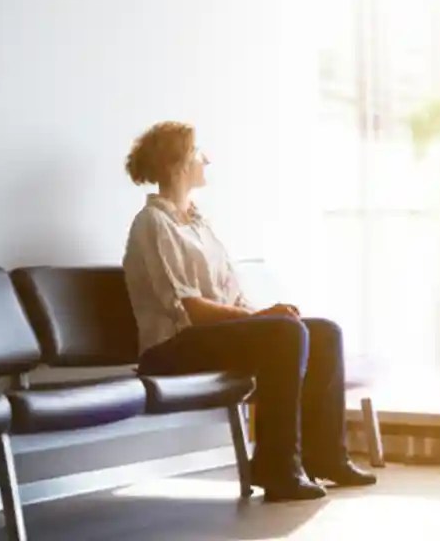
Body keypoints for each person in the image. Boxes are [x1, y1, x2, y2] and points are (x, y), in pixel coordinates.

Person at [121, 121, 375, 502]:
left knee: (324, 332)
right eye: (198, 153)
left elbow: (231, 295)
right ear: (178, 164)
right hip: (169, 347)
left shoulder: (199, 224)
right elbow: (190, 309)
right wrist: (264, 321)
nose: (206, 159)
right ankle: (277, 468)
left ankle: (325, 456)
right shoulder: (152, 223)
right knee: (285, 333)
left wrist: (269, 316)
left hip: (203, 339)